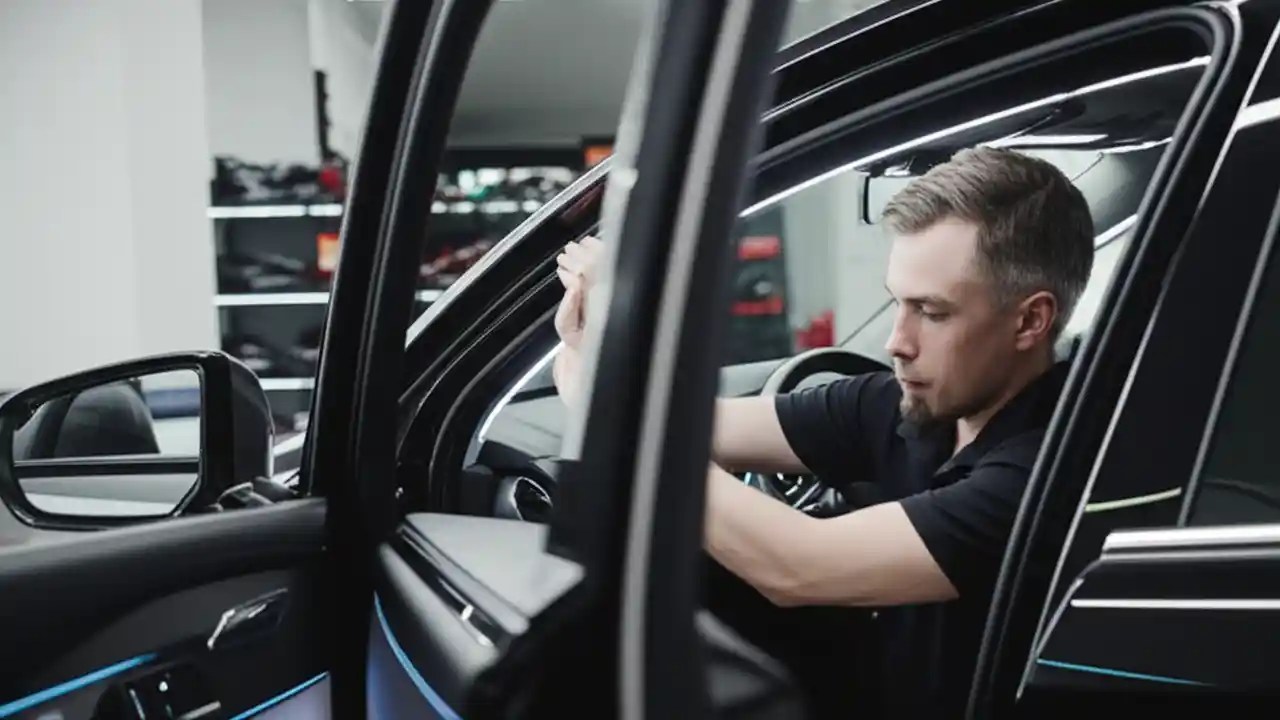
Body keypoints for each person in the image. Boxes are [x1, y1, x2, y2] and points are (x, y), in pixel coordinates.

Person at [552, 146, 1094, 718]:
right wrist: (601, 343)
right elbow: (689, 429)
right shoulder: (903, 403)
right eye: (896, 303)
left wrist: (599, 401)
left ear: (1030, 321)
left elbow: (796, 565)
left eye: (932, 312)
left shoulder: (1046, 470)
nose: (896, 341)